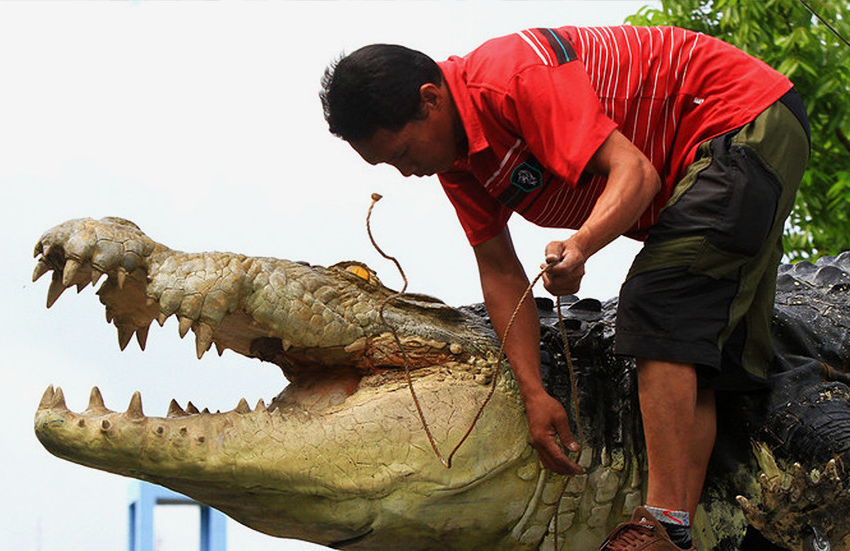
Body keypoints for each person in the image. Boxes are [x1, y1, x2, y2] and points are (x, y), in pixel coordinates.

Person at [320, 25, 809, 551]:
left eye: (402, 153)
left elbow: (635, 173)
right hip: (714, 161)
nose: (406, 172)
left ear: (430, 99)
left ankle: (661, 526)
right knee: (698, 362)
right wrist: (533, 392)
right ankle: (675, 536)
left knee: (656, 307)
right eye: (389, 165)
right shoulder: (460, 165)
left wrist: (581, 245)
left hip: (739, 121)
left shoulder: (512, 78)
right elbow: (500, 271)